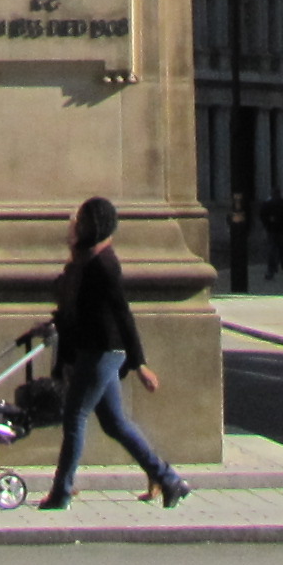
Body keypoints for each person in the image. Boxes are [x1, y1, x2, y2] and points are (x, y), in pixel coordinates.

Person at [45, 196, 187, 510]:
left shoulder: (104, 264)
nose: (75, 226)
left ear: (94, 225)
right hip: (92, 350)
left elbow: (122, 314)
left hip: (104, 351)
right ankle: (167, 478)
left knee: (75, 416)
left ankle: (61, 492)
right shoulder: (84, 261)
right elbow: (75, 312)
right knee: (114, 423)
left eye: (80, 221)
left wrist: (140, 364)